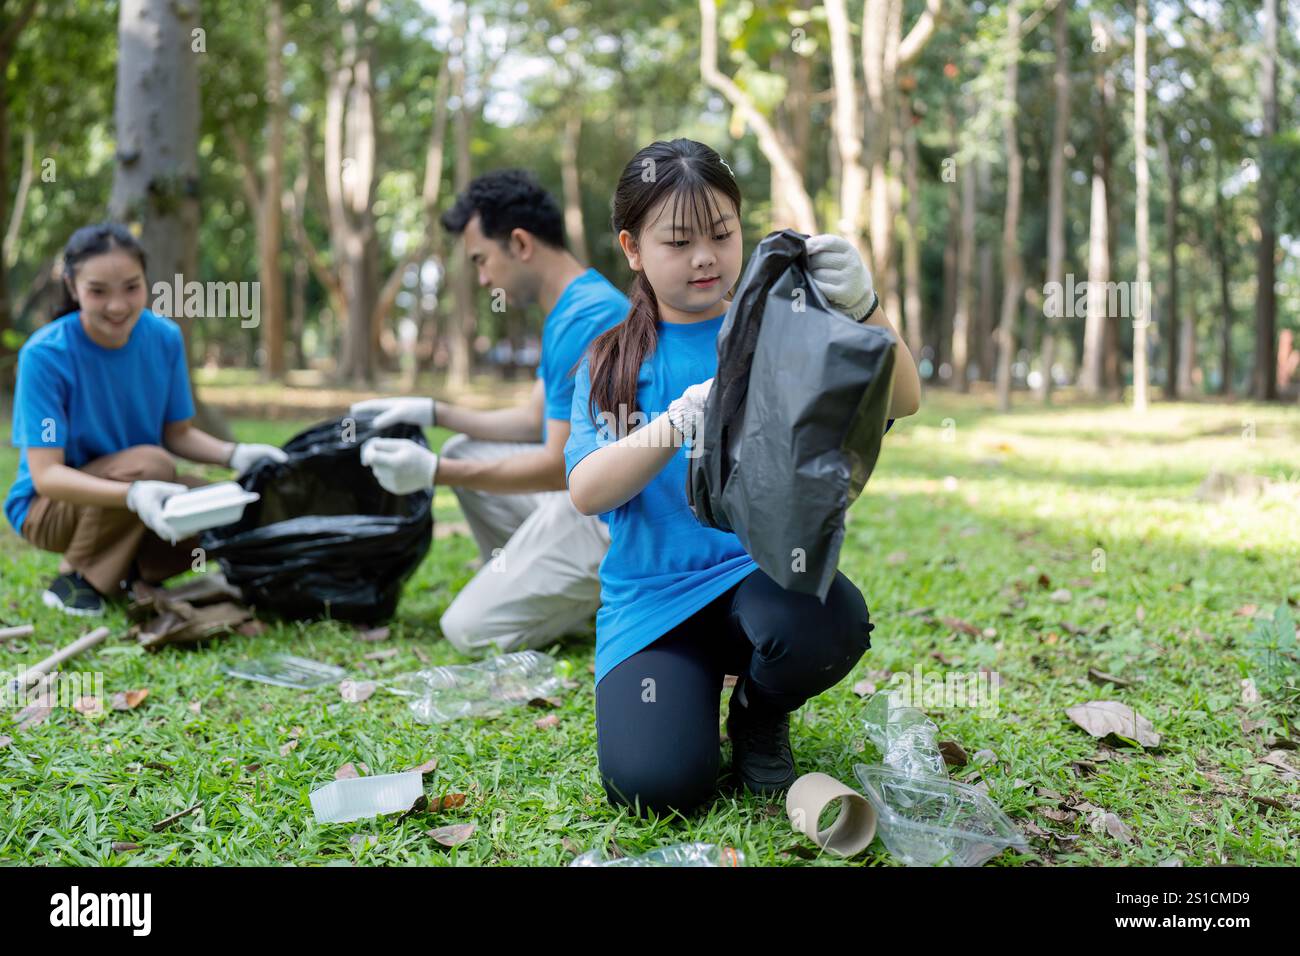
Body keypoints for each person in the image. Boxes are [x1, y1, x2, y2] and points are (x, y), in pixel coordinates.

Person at [564, 139, 921, 816]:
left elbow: (902, 400)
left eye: (722, 234)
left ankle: (759, 711)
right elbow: (586, 488)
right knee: (657, 791)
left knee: (830, 620)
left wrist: (866, 305)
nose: (705, 256)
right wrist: (676, 420)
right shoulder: (611, 360)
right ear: (633, 248)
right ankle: (684, 697)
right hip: (652, 607)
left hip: (757, 581)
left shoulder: (781, 330)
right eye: (678, 241)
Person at [353, 170, 627, 655]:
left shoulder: (591, 316)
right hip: (583, 501)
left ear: (520, 243)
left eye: (482, 260)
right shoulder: (571, 305)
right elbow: (529, 422)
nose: (482, 279)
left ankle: (596, 594)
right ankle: (535, 586)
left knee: (468, 631)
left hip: (611, 518)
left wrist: (434, 471)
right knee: (467, 447)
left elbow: (557, 465)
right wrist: (433, 412)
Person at [4, 222, 287, 616]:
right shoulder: (46, 355)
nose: (117, 306)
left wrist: (236, 455)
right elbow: (46, 476)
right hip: (50, 509)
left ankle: (129, 571)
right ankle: (74, 580)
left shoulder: (164, 338)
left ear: (146, 282)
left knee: (223, 510)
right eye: (98, 291)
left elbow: (178, 434)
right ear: (72, 287)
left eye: (131, 287)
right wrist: (134, 494)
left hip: (133, 489)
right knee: (154, 464)